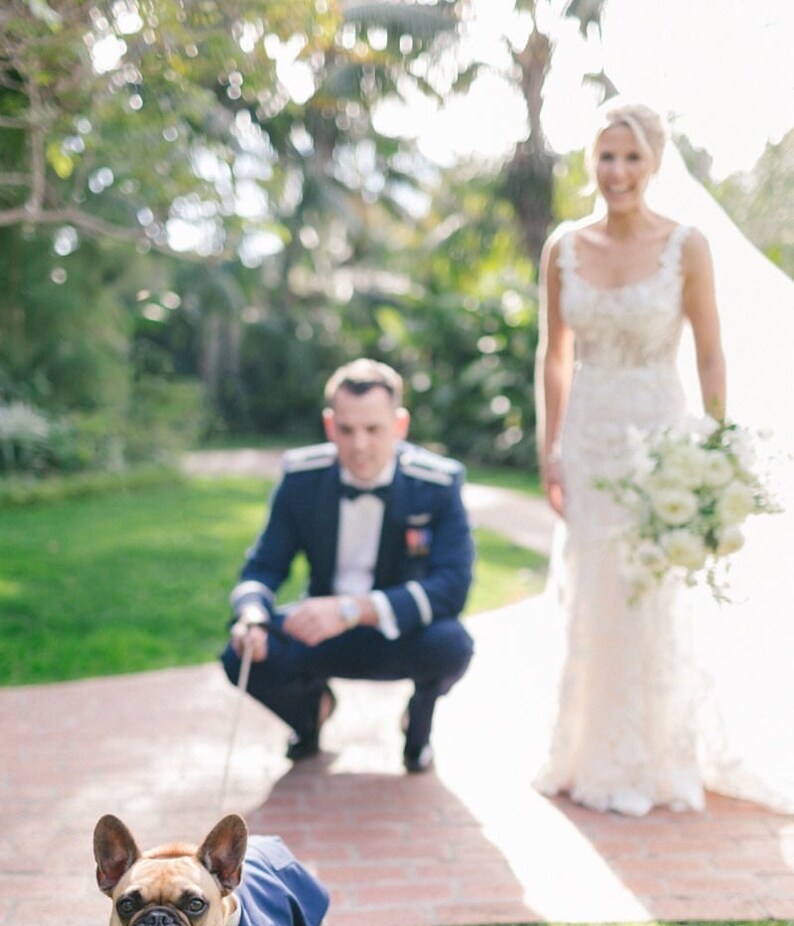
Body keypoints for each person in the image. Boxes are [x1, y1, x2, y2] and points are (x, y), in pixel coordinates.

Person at [532, 102, 728, 816]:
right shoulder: (564, 246)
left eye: (632, 158)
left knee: (651, 593)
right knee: (593, 587)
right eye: (606, 157)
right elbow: (553, 357)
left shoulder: (688, 245)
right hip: (587, 435)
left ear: (656, 163)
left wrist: (718, 447)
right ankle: (584, 751)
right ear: (591, 162)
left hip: (660, 434)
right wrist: (550, 448)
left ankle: (660, 755)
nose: (618, 172)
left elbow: (709, 351)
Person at [221, 358, 475, 774]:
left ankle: (418, 724)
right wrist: (251, 616)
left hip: (398, 631)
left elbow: (452, 587)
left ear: (400, 425)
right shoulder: (301, 478)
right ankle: (311, 714)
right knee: (239, 657)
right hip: (322, 633)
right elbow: (263, 566)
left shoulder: (438, 484)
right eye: (346, 430)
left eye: (373, 429)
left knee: (453, 646)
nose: (359, 446)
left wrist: (352, 610)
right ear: (329, 426)